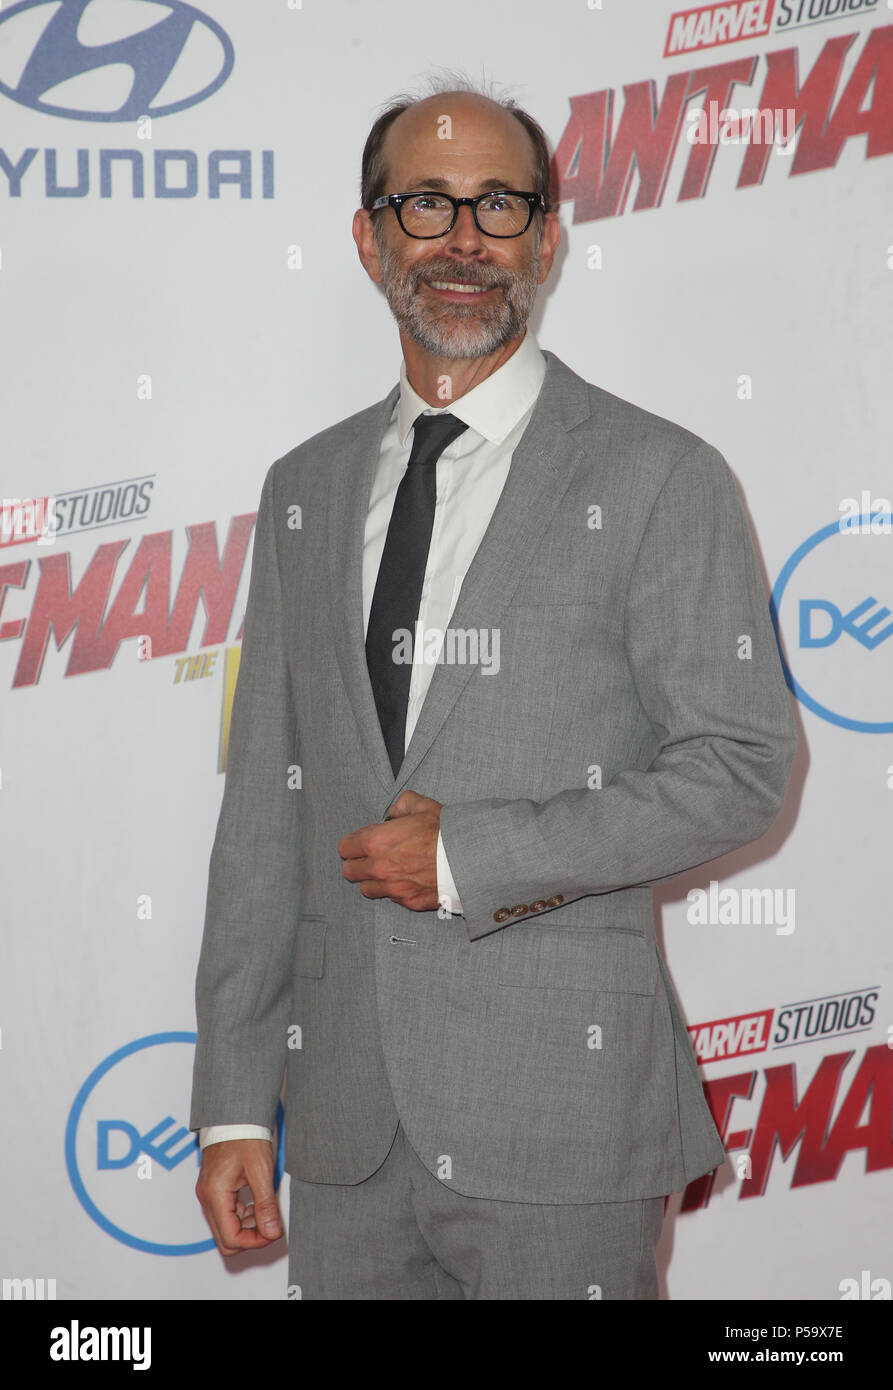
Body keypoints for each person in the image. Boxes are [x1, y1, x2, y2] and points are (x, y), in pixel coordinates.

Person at [190, 76, 797, 1300]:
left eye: (499, 204)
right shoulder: (299, 489)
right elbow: (266, 814)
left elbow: (742, 768)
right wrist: (229, 1108)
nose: (463, 240)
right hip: (347, 1137)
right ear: (369, 240)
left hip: (561, 1128)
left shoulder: (657, 476)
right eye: (425, 203)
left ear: (546, 239)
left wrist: (470, 858)